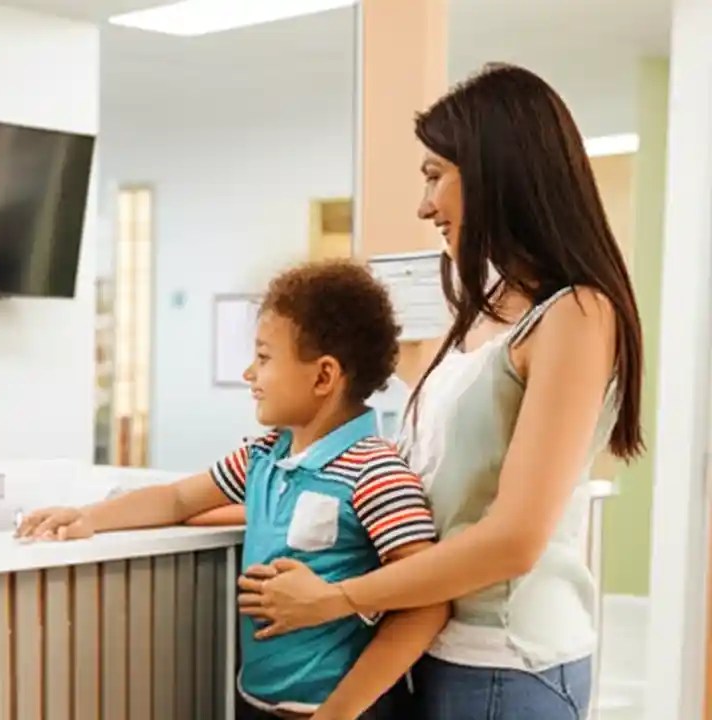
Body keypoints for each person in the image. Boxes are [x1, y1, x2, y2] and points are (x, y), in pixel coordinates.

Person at [236, 63, 644, 720]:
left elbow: (514, 538)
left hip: (508, 662)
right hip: (437, 651)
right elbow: (420, 492)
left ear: (495, 173)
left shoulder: (577, 314)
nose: (424, 205)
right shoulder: (482, 315)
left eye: (434, 176)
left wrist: (340, 598)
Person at [18, 260, 446, 720]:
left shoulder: (378, 472)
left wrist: (338, 713)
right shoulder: (262, 454)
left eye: (263, 358)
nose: (249, 374)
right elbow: (177, 498)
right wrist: (89, 517)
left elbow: (426, 603)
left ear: (323, 377)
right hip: (258, 703)